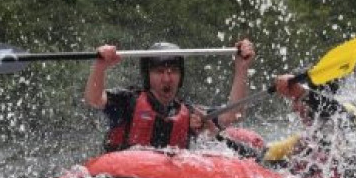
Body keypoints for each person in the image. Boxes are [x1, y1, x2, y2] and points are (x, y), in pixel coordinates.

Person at [84, 39, 255, 151]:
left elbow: (233, 115)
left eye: (173, 71)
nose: (167, 78)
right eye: (159, 71)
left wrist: (242, 68)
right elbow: (94, 99)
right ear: (147, 75)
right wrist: (100, 67)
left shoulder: (190, 113)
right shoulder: (128, 102)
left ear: (181, 76)